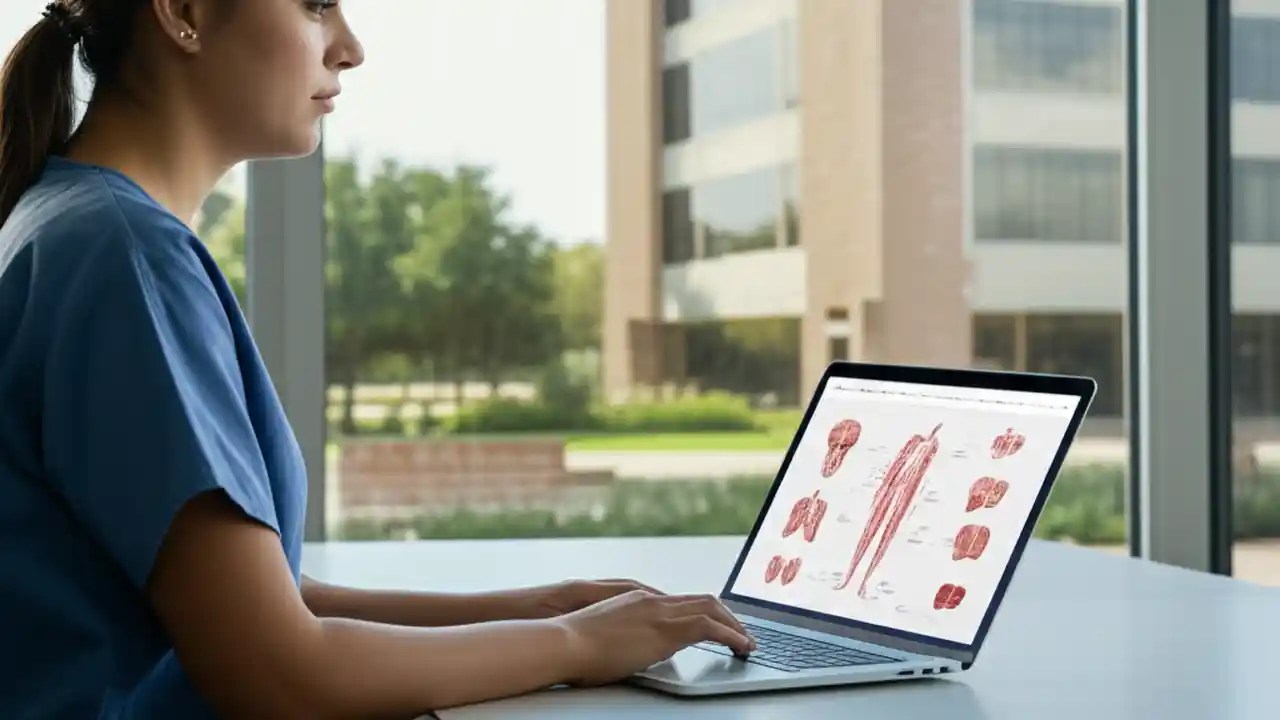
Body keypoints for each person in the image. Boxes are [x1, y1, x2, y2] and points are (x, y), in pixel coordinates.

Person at [0, 1, 756, 717]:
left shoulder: (73, 222)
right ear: (185, 14)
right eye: (315, 5)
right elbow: (278, 672)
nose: (350, 48)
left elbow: (252, 601)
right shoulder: (124, 256)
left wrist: (538, 606)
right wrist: (578, 644)